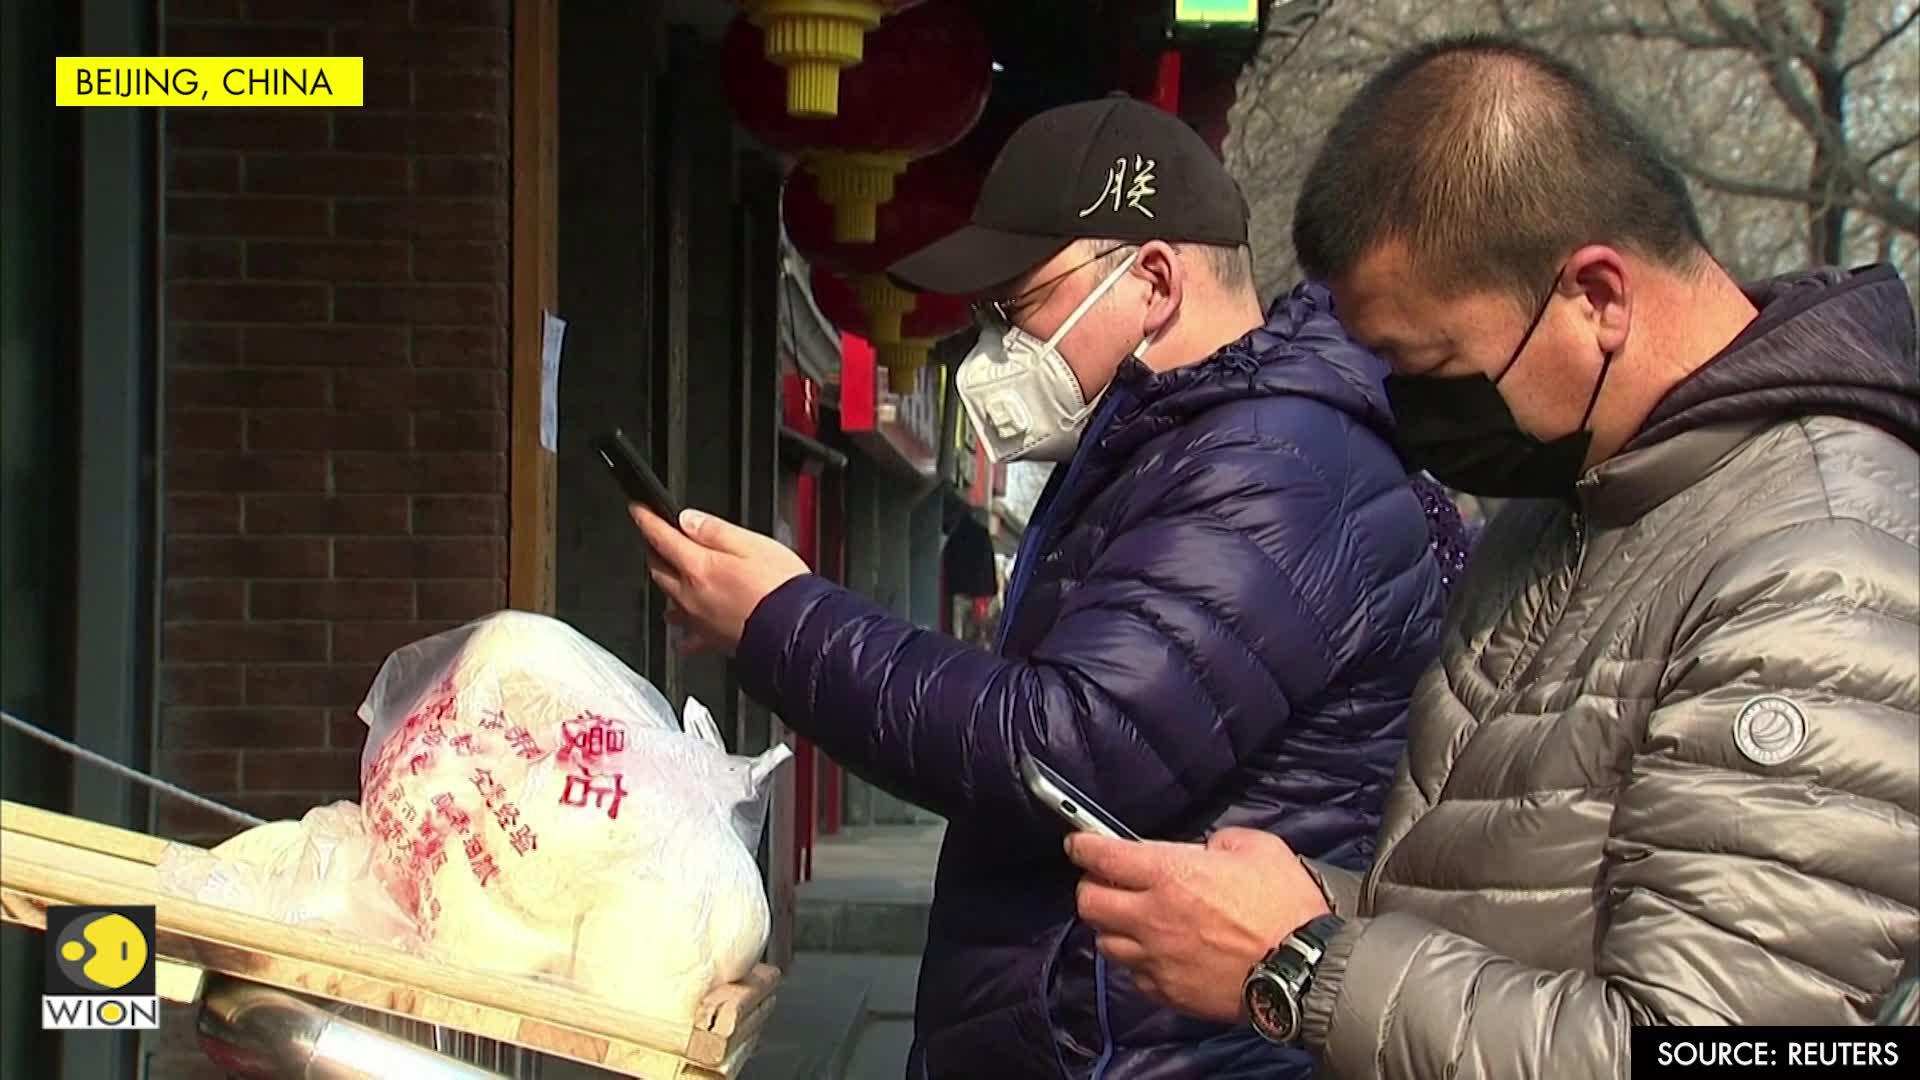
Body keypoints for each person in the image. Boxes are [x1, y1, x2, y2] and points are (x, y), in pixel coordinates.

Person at [1063, 35, 1920, 1076]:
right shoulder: (1572, 505)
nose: (1413, 414)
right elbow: (1510, 920)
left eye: (1435, 366)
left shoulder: (1820, 571)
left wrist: (1294, 965)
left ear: (1597, 296)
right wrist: (1284, 908)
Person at [634, 95, 1466, 1077]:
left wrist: (784, 622)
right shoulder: (1175, 451)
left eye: (1018, 311)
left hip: (1152, 1051)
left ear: (1152, 278)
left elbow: (1067, 747)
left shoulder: (1274, 468)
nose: (995, 354)